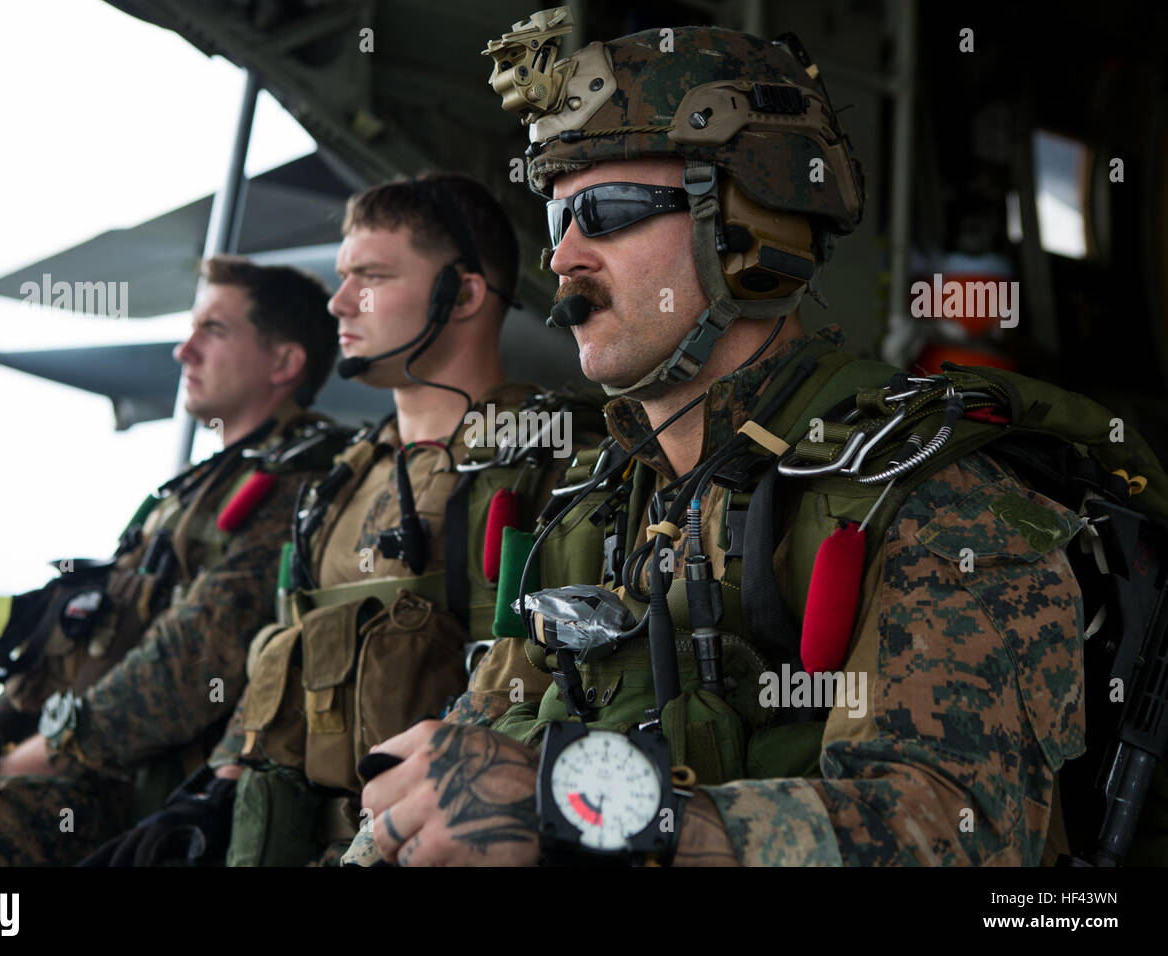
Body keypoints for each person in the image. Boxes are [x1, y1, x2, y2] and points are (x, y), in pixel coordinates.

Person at [354, 12, 1167, 867]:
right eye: (558, 222)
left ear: (753, 229)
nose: (564, 261)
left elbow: (952, 829)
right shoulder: (594, 505)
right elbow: (483, 739)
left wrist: (589, 806)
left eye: (609, 210)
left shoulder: (928, 490)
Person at [81, 172, 606, 867]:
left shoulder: (561, 463)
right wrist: (215, 788)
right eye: (341, 276)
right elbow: (284, 656)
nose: (339, 302)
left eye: (372, 277)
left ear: (465, 294)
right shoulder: (339, 479)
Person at [0, 255, 348, 865]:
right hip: (56, 756)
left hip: (121, 794)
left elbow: (185, 667)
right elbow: (84, 626)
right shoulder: (200, 486)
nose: (184, 351)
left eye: (214, 331)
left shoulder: (296, 483)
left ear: (284, 362)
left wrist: (11, 764)